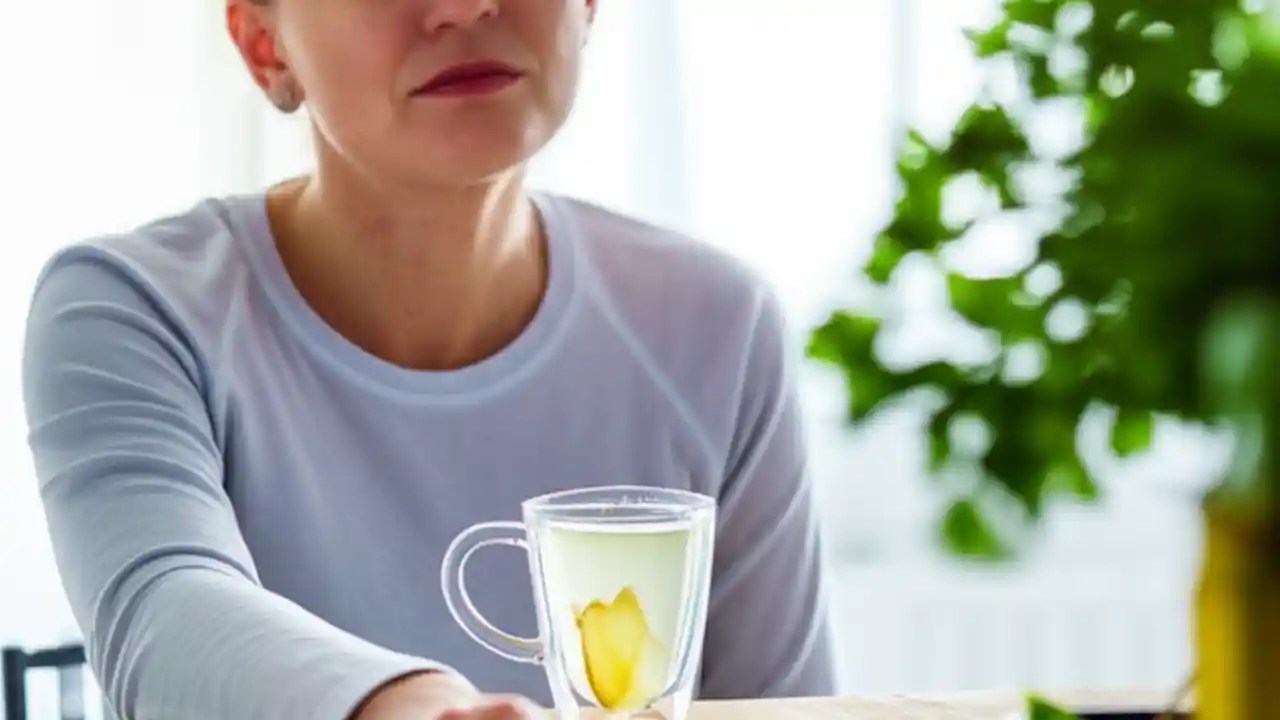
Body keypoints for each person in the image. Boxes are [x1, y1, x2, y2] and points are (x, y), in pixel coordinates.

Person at [21, 1, 836, 718]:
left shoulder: (717, 323)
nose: (462, 6)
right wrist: (404, 707)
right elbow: (161, 612)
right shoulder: (133, 307)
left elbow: (781, 709)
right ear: (266, 46)